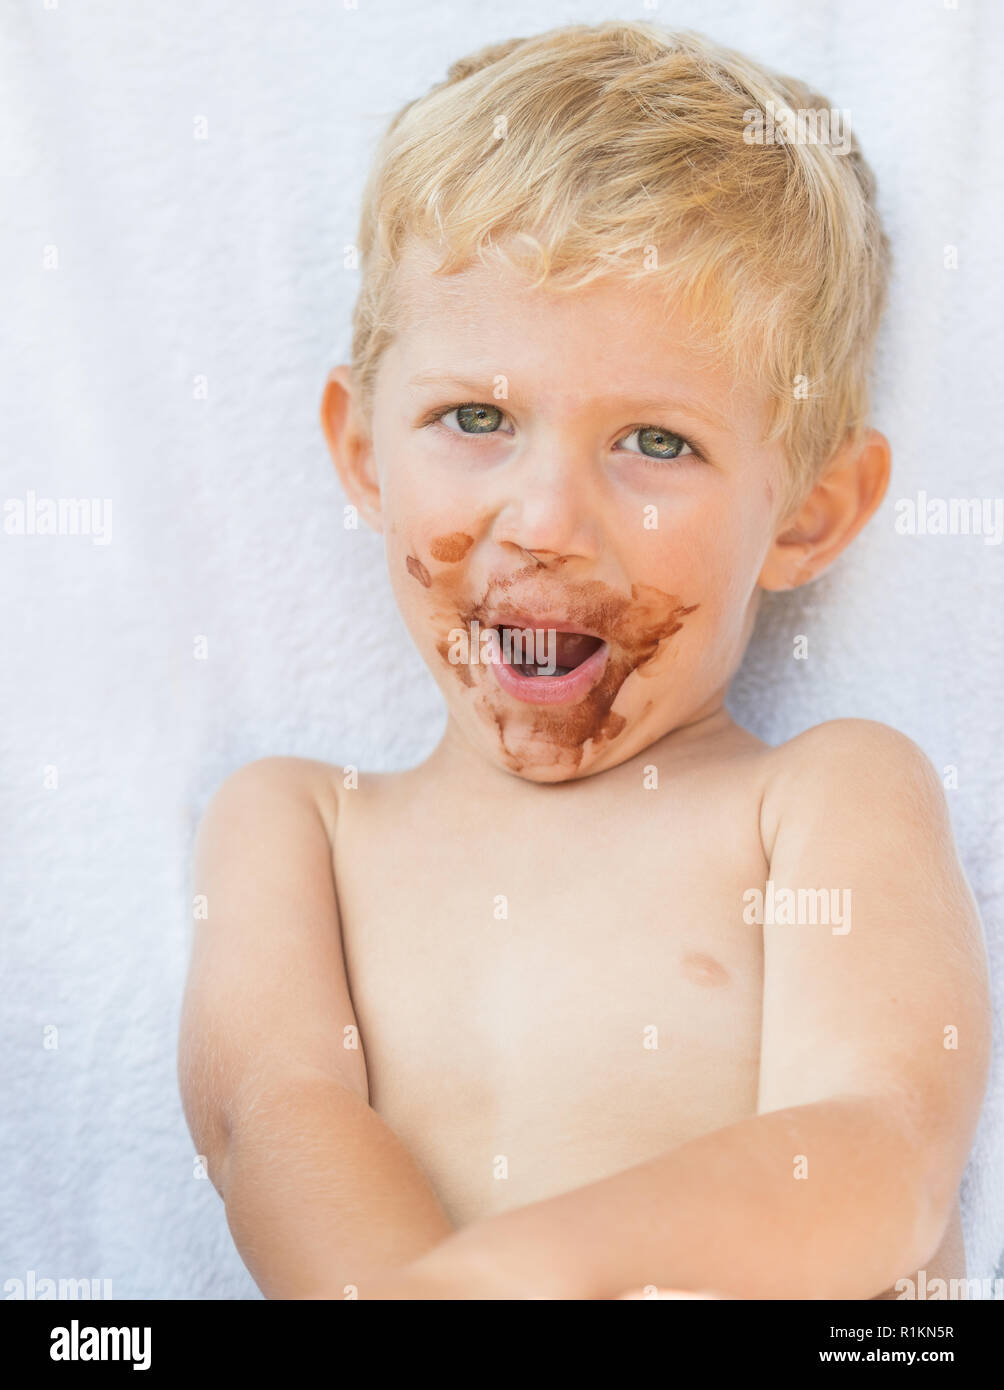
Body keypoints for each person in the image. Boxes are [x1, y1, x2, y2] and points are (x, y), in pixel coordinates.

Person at [178, 21, 991, 1299]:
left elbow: (880, 1154)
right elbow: (266, 1116)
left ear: (806, 514)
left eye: (656, 443)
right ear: (362, 452)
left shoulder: (824, 800)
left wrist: (520, 1276)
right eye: (476, 418)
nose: (546, 520)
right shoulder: (296, 828)